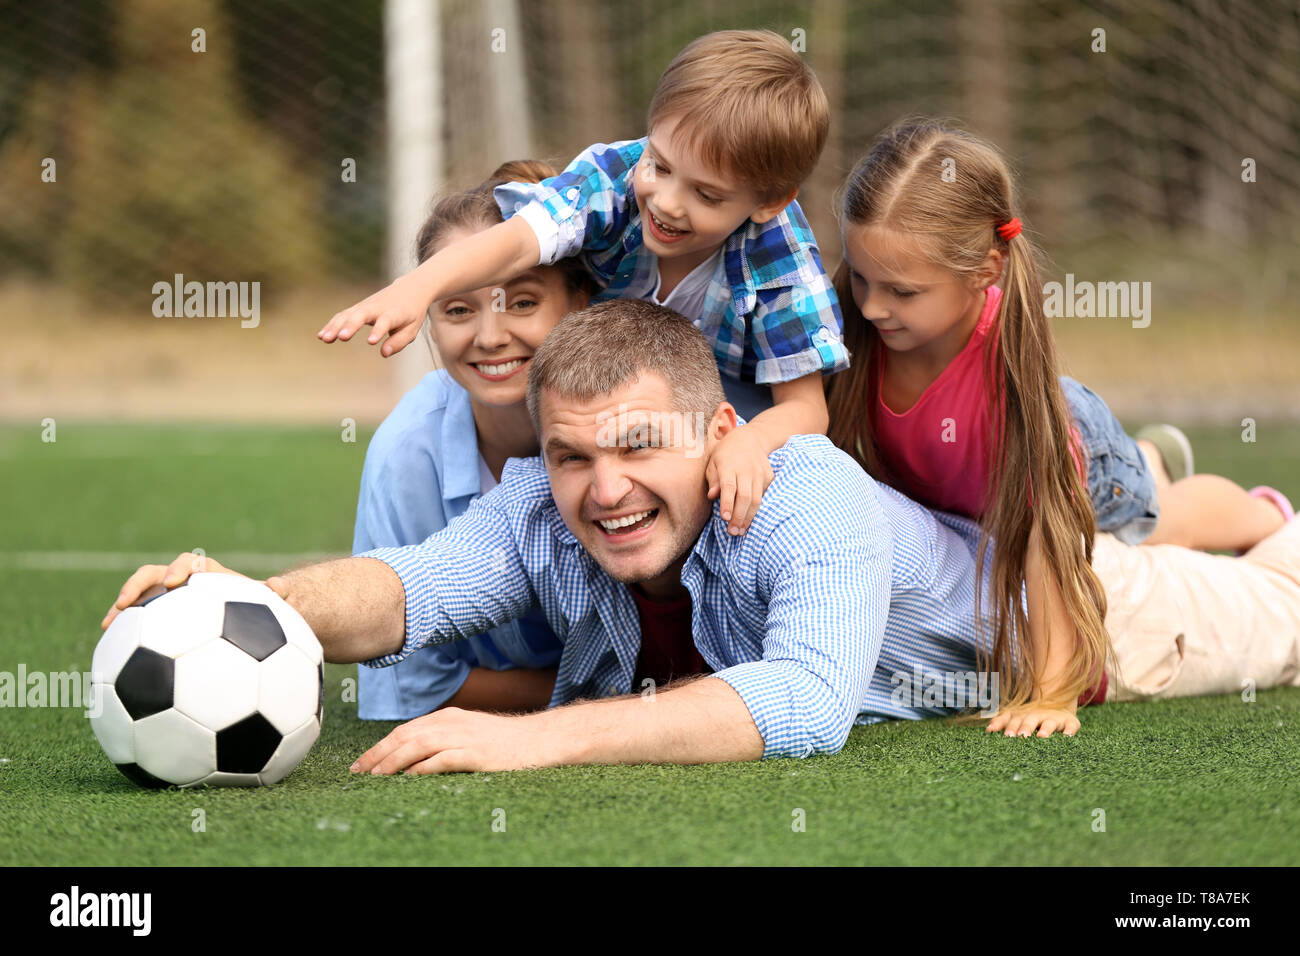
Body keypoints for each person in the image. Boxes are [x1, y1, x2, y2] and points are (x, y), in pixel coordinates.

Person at [102, 302, 1300, 772]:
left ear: (716, 429)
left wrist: (537, 741)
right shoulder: (539, 505)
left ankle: (1255, 525)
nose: (603, 488)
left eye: (637, 447)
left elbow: (804, 703)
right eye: (573, 454)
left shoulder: (804, 491)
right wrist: (252, 605)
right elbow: (410, 586)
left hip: (1094, 622)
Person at [823, 119, 1292, 737]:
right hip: (970, 494)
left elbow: (1048, 538)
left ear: (985, 270)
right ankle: (1151, 456)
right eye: (861, 278)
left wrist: (1050, 691)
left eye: (903, 292)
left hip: (1086, 457)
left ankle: (1259, 513)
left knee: (1153, 524)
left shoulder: (1007, 385)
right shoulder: (859, 326)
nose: (874, 305)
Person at [317, 29, 849, 537]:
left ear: (768, 201)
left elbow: (807, 408)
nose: (666, 201)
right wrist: (420, 285)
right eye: (659, 165)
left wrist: (747, 444)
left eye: (706, 196)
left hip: (721, 423)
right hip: (614, 410)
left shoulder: (782, 262)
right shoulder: (614, 176)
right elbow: (519, 242)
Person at [352, 160, 593, 721]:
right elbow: (411, 686)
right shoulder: (408, 454)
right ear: (430, 319)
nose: (490, 337)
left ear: (580, 300)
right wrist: (604, 690)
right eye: (459, 309)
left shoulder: (640, 427)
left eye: (524, 302)